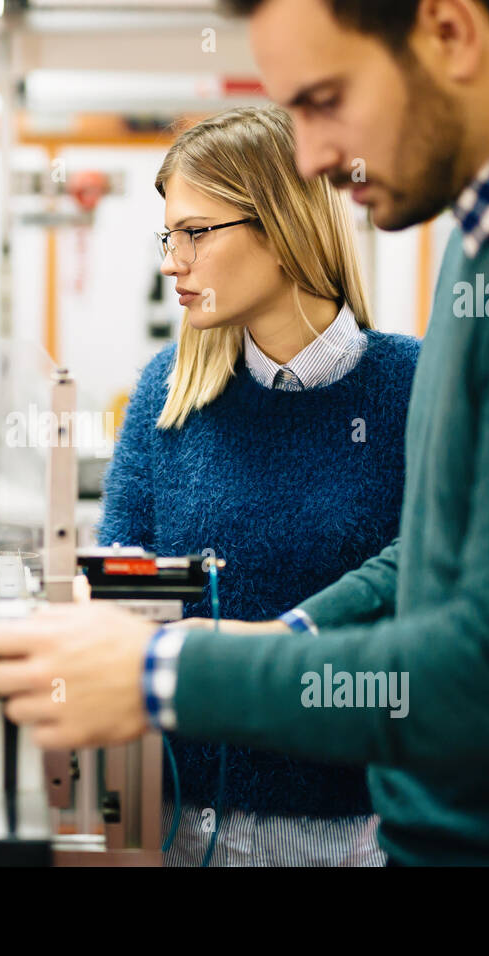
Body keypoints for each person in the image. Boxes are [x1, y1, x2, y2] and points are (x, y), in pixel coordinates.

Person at [0, 0, 489, 866]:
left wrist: (160, 676)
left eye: (326, 100)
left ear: (449, 29)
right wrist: (284, 637)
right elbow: (432, 552)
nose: (314, 156)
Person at [99, 105, 418, 865]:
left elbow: (435, 580)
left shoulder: (415, 387)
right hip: (175, 825)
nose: (173, 261)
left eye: (196, 233)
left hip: (352, 835)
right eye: (167, 236)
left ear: (281, 226)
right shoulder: (167, 392)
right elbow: (117, 573)